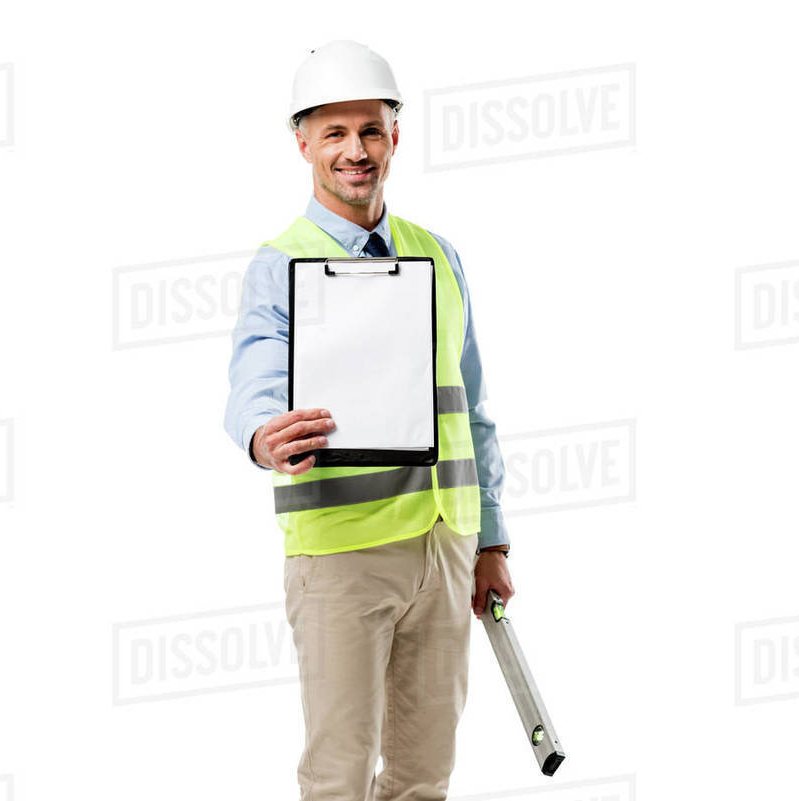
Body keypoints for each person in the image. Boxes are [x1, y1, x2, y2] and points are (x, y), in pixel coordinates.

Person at [222, 40, 514, 801]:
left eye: (372, 131)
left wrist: (491, 538)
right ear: (303, 143)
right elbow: (253, 378)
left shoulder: (438, 255)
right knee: (338, 775)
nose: (357, 152)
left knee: (424, 773)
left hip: (445, 547)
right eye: (336, 134)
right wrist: (262, 434)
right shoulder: (280, 262)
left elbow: (471, 408)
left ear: (395, 136)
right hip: (343, 559)